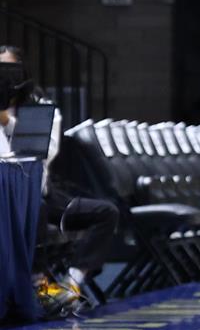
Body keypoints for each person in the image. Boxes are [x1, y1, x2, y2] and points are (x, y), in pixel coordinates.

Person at [0, 45, 118, 315]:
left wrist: (6, 120)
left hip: (41, 193)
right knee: (35, 212)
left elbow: (45, 152)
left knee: (106, 213)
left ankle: (71, 283)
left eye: (9, 69)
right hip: (6, 201)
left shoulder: (41, 108)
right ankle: (38, 285)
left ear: (22, 72)